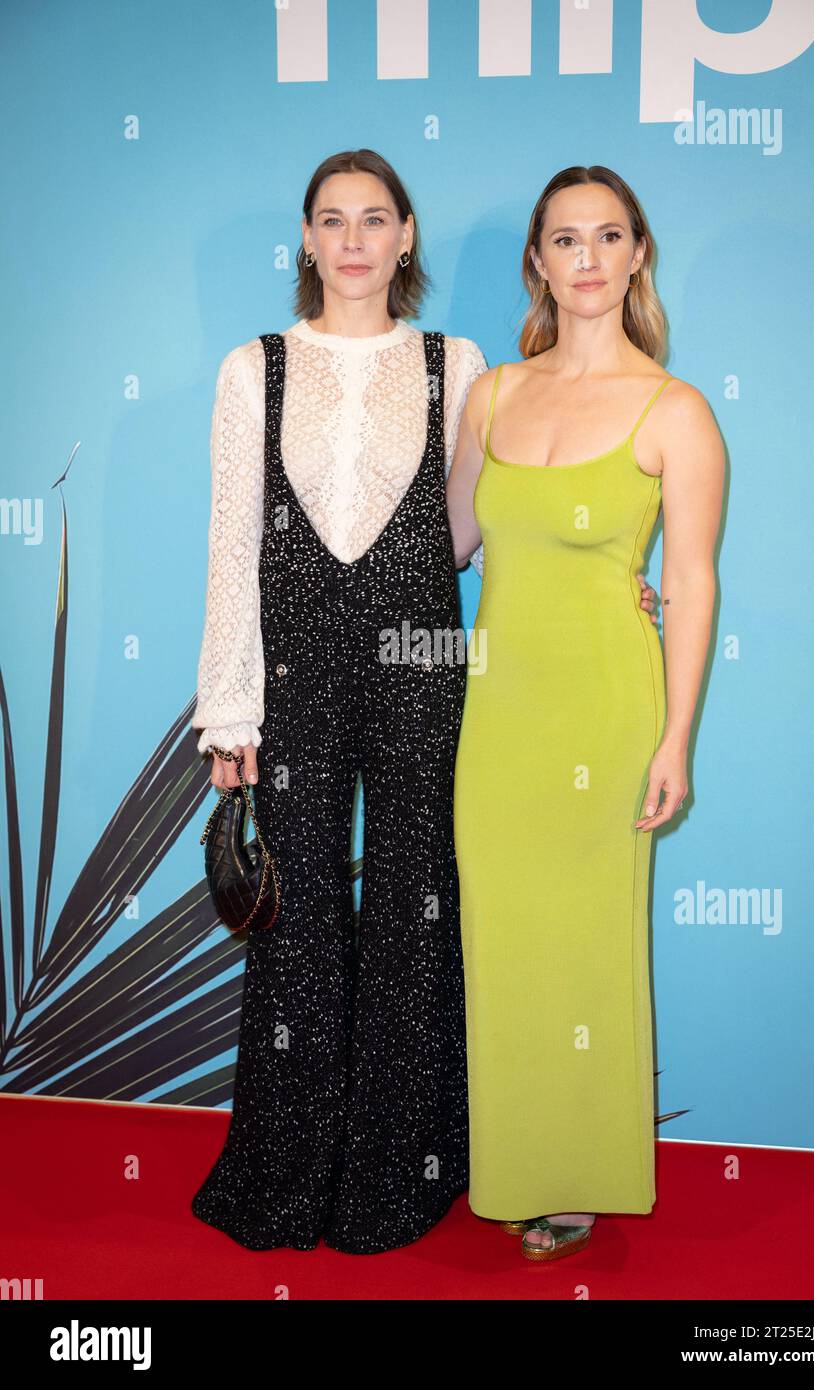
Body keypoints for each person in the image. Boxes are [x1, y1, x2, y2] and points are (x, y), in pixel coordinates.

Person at [189, 149, 490, 1254]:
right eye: (332, 219)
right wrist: (231, 710)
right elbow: (231, 543)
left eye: (375, 218)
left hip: (419, 663)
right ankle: (287, 1177)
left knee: (419, 910)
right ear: (307, 238)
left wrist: (614, 586)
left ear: (406, 236)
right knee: (298, 929)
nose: (354, 239)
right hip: (293, 673)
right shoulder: (250, 369)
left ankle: (393, 1181)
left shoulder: (455, 363)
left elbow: (470, 531)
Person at [446, 165, 724, 1261]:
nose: (589, 259)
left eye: (609, 236)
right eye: (565, 240)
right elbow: (449, 545)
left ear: (637, 253)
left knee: (589, 947)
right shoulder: (494, 394)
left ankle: (580, 1173)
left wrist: (674, 738)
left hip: (607, 710)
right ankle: (511, 1163)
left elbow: (693, 582)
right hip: (498, 713)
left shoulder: (675, 409)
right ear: (538, 261)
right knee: (505, 943)